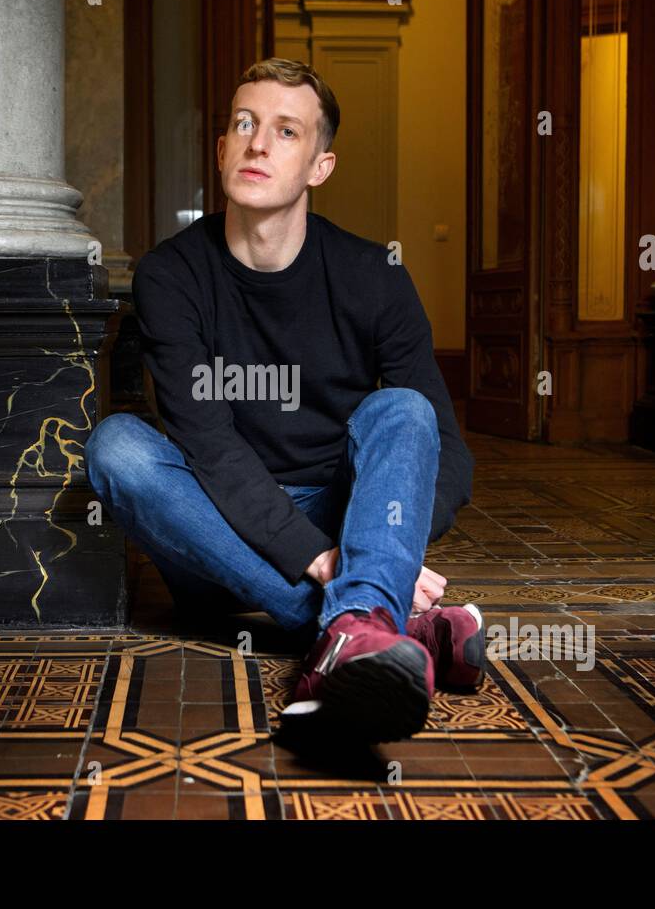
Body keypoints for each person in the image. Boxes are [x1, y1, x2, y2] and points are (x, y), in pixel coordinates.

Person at [86, 58, 485, 744]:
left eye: (286, 131)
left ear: (320, 167)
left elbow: (446, 447)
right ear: (220, 152)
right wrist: (348, 566)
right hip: (218, 527)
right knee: (116, 449)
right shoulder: (170, 274)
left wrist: (389, 544)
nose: (258, 143)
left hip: (344, 509)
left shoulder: (373, 275)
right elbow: (208, 445)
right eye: (243, 124)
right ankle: (379, 619)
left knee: (404, 413)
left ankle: (356, 628)